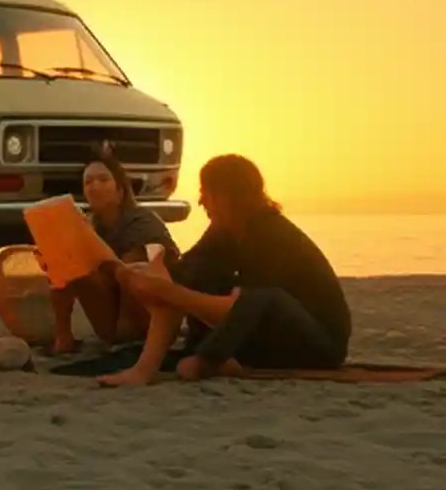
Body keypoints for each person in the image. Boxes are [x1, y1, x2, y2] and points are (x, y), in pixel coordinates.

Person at [96, 154, 352, 387]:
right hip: (270, 334)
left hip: (317, 343)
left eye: (206, 192)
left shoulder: (271, 234)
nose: (200, 201)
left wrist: (172, 293)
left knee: (262, 297)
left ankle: (207, 360)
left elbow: (248, 307)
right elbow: (183, 273)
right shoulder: (224, 230)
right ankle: (144, 369)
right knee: (195, 274)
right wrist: (148, 271)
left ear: (228, 195)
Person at [46, 152, 181, 353]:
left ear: (120, 190)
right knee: (62, 265)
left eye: (103, 179)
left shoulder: (141, 221)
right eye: (88, 181)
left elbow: (132, 274)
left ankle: (128, 338)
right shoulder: (92, 225)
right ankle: (64, 336)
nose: (95, 186)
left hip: (151, 317)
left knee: (131, 270)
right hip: (112, 321)